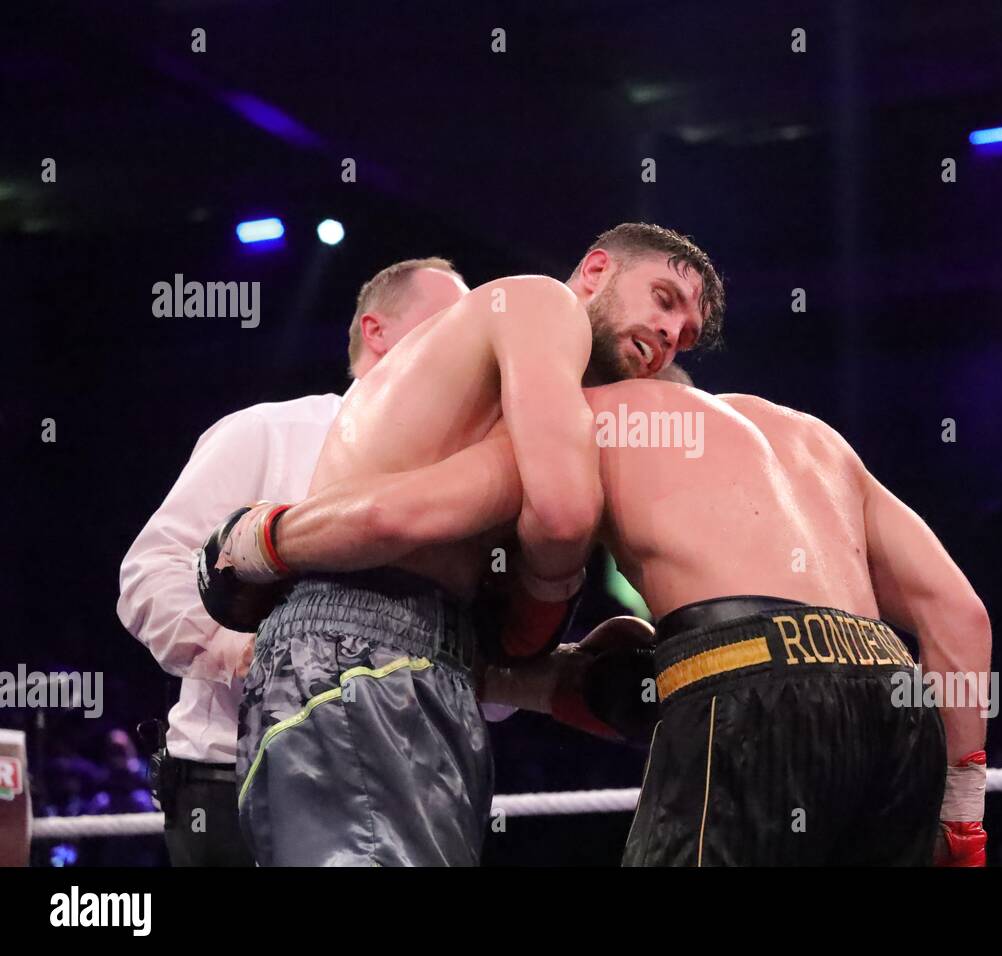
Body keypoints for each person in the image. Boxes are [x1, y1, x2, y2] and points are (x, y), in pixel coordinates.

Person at [213, 376, 992, 866]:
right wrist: (962, 819)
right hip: (895, 699)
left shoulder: (589, 418)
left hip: (748, 686)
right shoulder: (808, 434)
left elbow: (403, 511)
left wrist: (256, 541)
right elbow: (960, 614)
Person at [200, 223, 725, 866]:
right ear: (595, 271)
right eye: (664, 298)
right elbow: (559, 518)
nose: (673, 333)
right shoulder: (540, 303)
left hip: (420, 665)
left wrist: (548, 679)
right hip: (358, 651)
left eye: (688, 334)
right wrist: (263, 543)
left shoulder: (544, 404)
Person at [117, 256, 468, 866]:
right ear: (375, 330)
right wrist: (255, 657)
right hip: (235, 779)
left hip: (408, 786)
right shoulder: (269, 432)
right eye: (446, 325)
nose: (467, 346)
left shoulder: (461, 480)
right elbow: (150, 574)